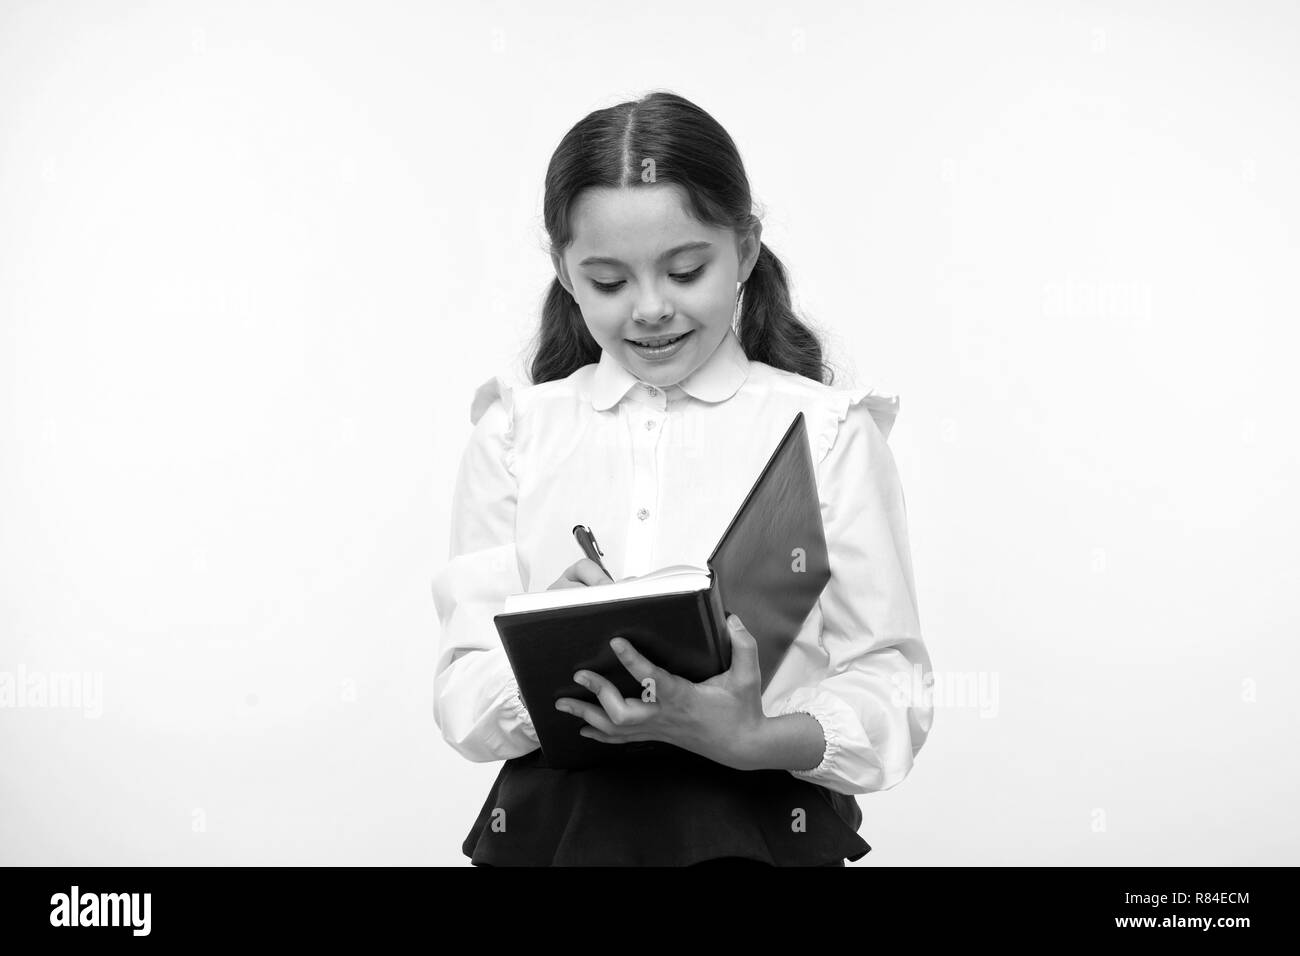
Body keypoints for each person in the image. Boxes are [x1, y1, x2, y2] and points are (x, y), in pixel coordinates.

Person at [432, 90, 934, 867]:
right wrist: (546, 664)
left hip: (758, 831)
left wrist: (755, 736)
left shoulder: (830, 432)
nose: (651, 309)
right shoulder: (514, 435)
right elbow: (463, 696)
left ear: (746, 247)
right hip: (557, 835)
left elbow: (893, 682)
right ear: (564, 271)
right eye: (607, 282)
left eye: (686, 269)